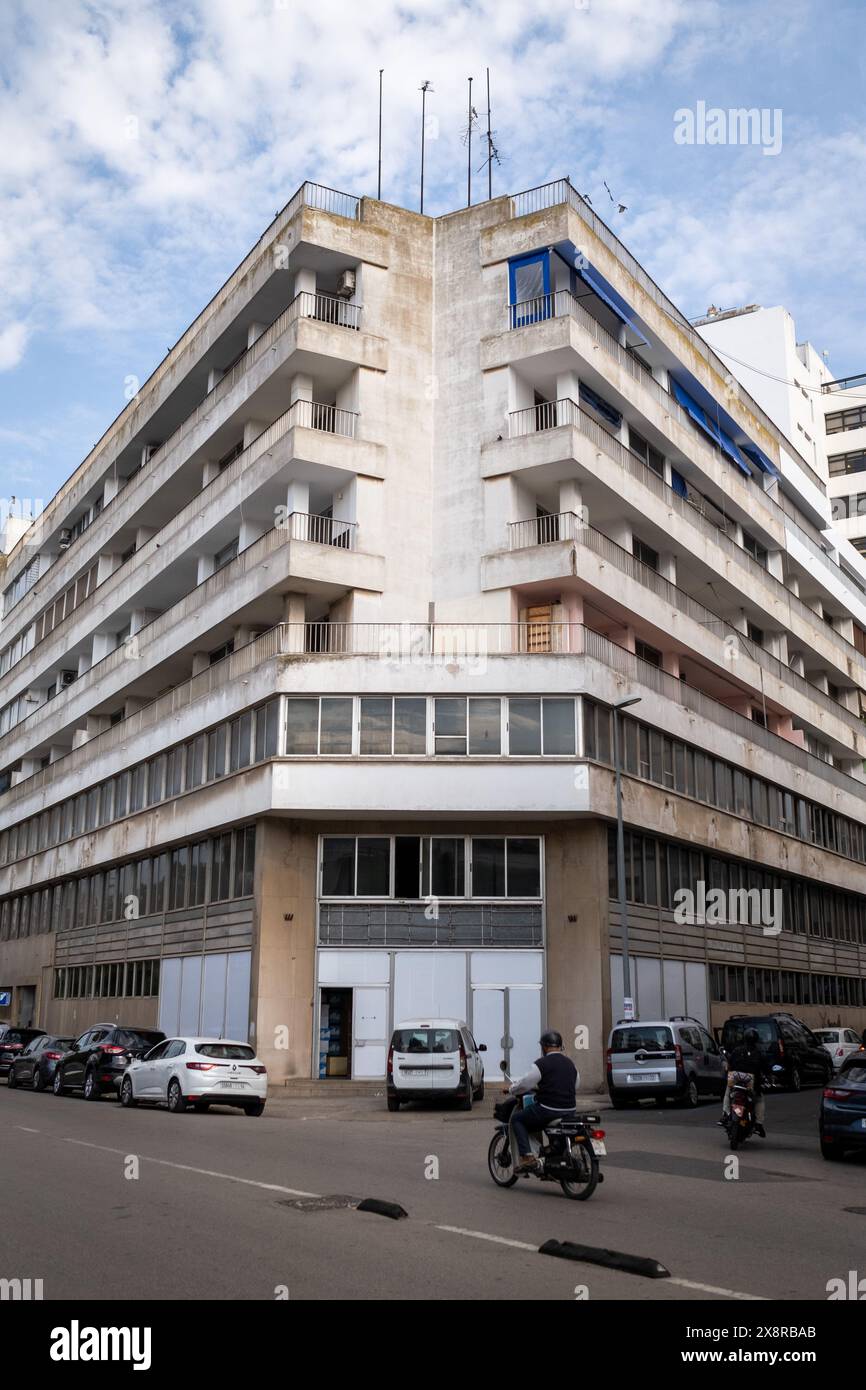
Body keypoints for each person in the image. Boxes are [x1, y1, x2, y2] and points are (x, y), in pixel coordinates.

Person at [503, 1030, 578, 1170]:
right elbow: (576, 1084)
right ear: (560, 1046)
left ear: (544, 1047)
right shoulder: (570, 1064)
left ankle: (527, 1157)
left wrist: (512, 1089)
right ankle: (550, 1152)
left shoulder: (541, 1064)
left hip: (549, 1110)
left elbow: (526, 1083)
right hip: (570, 1110)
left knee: (517, 1119)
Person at [720, 1027, 767, 1137]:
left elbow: (730, 1063)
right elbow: (765, 1068)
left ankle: (725, 1114)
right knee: (759, 1099)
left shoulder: (737, 1050)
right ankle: (759, 1124)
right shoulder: (759, 1053)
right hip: (751, 1081)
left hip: (736, 1078)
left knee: (727, 1092)